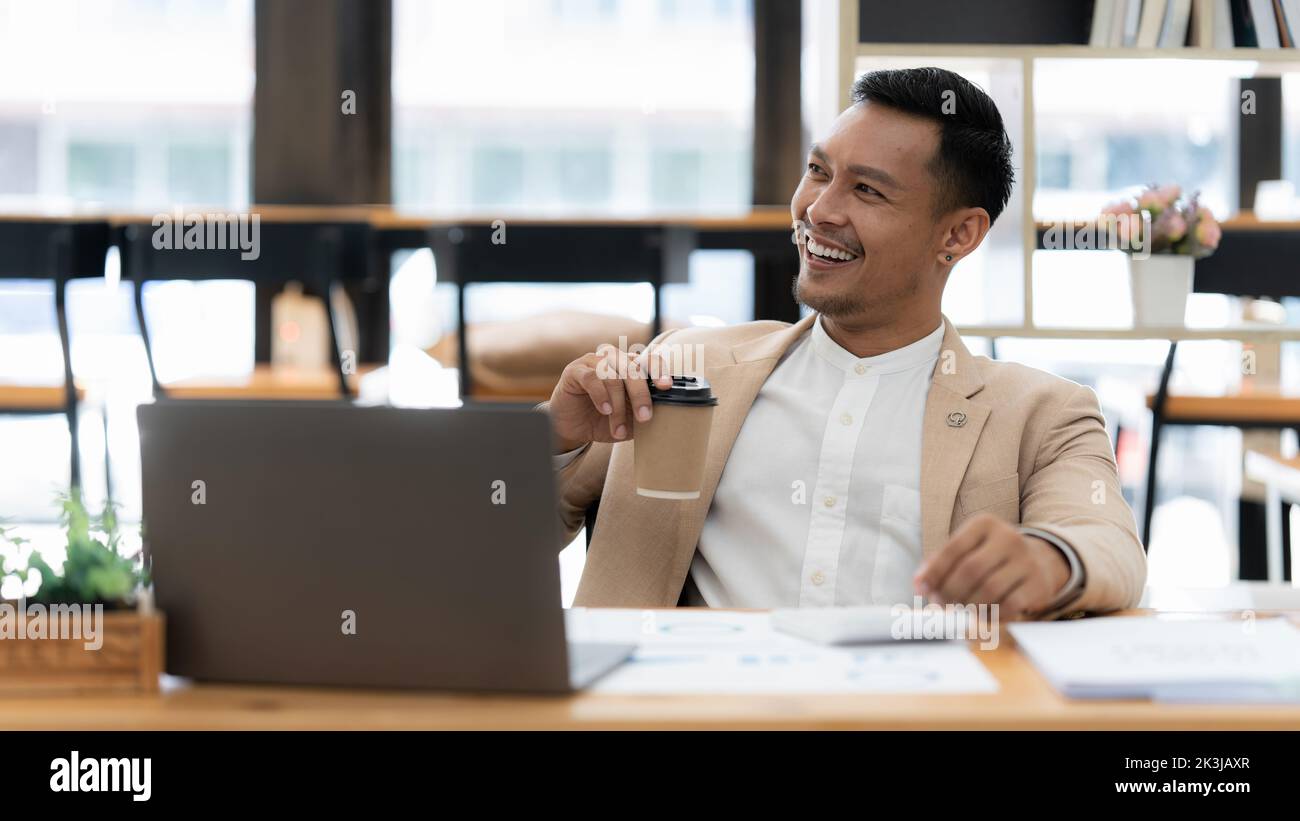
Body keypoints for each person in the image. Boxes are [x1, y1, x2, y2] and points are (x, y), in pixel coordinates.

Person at [541, 67, 1146, 620]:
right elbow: (502, 531)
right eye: (818, 172)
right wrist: (554, 437)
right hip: (690, 694)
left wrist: (1044, 559)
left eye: (867, 191)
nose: (819, 210)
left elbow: (1107, 546)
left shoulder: (1042, 414)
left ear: (959, 234)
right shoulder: (681, 370)